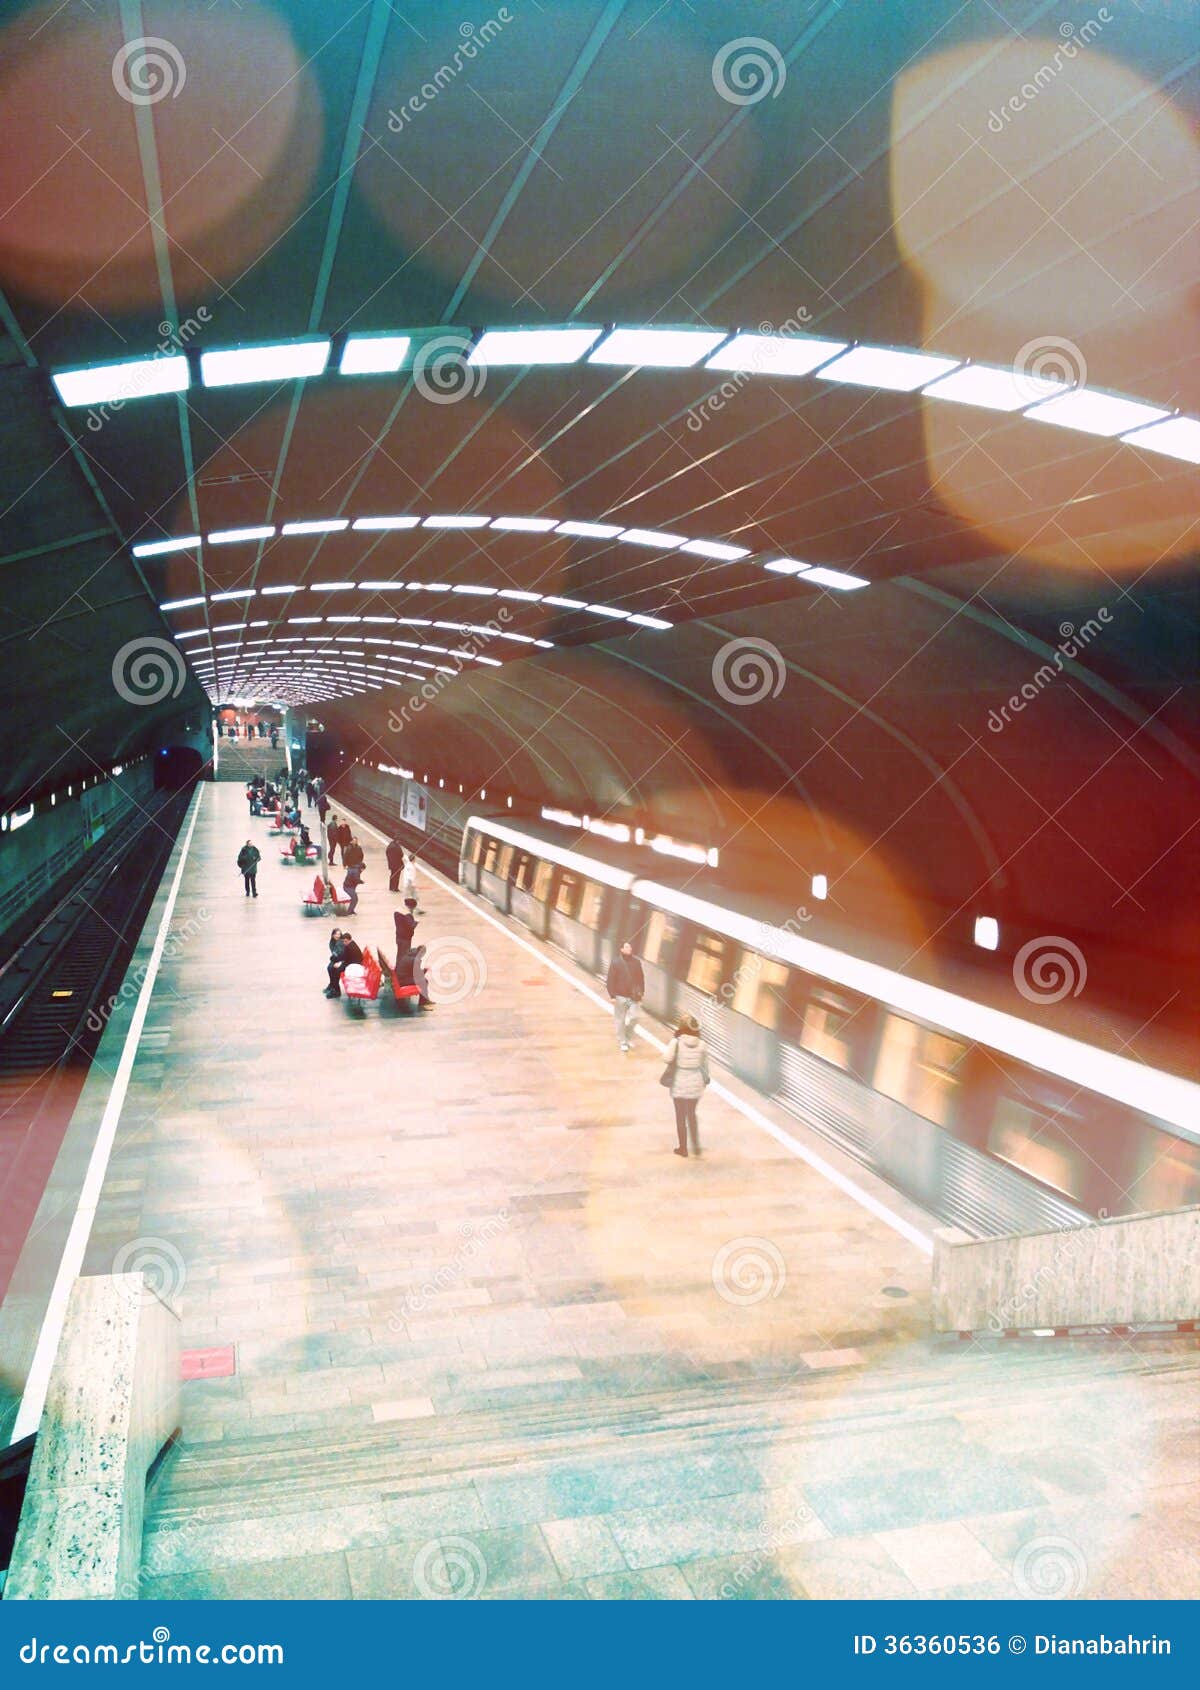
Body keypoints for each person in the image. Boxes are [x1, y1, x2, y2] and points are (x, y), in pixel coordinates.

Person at [663, 1013, 709, 1158]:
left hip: (679, 1082)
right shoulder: (702, 1044)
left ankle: (683, 1149)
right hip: (695, 1082)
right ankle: (696, 1146)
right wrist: (705, 1080)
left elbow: (667, 1058)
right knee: (692, 1115)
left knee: (680, 1117)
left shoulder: (676, 1042)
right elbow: (705, 1067)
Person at [606, 940, 645, 1053]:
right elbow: (610, 980)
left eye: (630, 947)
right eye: (627, 947)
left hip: (634, 997)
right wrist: (612, 995)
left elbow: (641, 979)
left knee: (635, 1017)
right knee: (620, 1020)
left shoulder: (637, 962)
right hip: (620, 996)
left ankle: (626, 1036)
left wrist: (641, 993)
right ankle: (623, 1041)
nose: (629, 949)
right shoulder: (616, 962)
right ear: (621, 949)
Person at [325, 930, 362, 998]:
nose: (344, 943)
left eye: (345, 941)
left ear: (349, 940)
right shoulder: (350, 944)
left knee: (337, 971)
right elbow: (345, 957)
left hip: (354, 966)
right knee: (334, 968)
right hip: (351, 962)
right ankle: (334, 987)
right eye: (343, 941)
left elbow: (346, 959)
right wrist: (335, 960)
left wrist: (340, 963)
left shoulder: (350, 947)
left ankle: (336, 991)